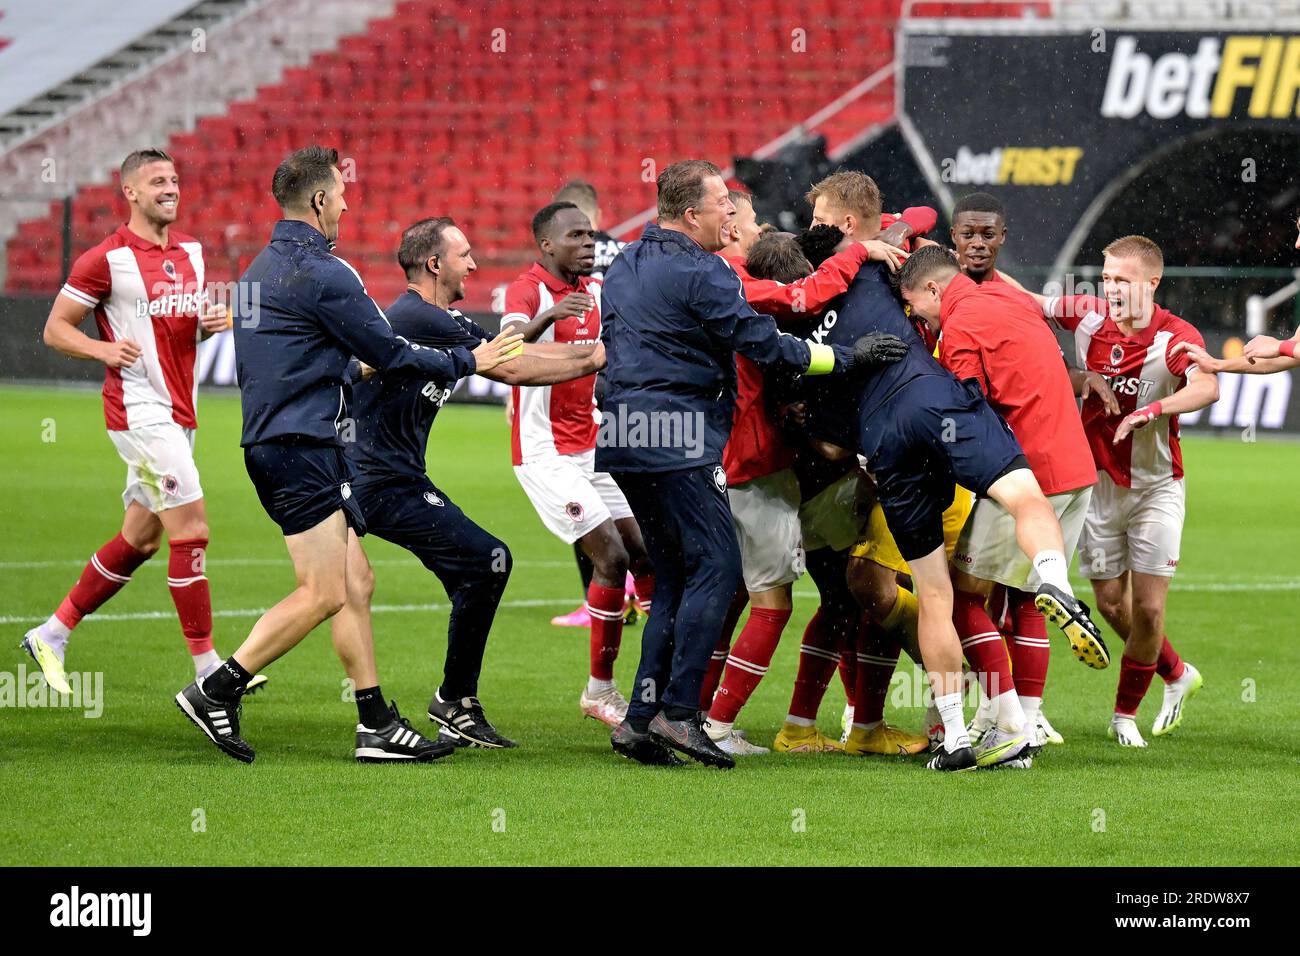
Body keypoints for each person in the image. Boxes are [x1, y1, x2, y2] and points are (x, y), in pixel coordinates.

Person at [172, 146, 521, 763]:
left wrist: (339, 366)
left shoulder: (257, 271)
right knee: (324, 591)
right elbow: (391, 352)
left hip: (277, 443)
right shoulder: (329, 273)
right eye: (340, 192)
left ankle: (375, 723)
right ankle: (217, 689)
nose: (348, 201)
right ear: (319, 200)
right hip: (303, 448)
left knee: (355, 580)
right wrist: (470, 360)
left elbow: (281, 359)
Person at [597, 160, 879, 769]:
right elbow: (766, 345)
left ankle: (639, 720)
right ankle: (681, 715)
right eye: (722, 202)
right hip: (677, 436)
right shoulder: (703, 272)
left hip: (621, 434)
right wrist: (843, 359)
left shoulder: (622, 264)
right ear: (691, 214)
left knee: (674, 576)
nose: (731, 212)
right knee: (719, 571)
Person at [345, 216, 605, 748]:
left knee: (471, 568)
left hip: (383, 477)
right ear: (435, 264)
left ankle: (220, 684)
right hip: (373, 482)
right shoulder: (419, 317)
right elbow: (515, 369)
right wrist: (602, 356)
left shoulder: (439, 316)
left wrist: (593, 352)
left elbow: (515, 352)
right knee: (485, 562)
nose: (474, 264)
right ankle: (454, 700)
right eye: (464, 255)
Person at [22, 148, 266, 697]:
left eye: (174, 179)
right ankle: (208, 672)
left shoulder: (194, 254)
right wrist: (101, 351)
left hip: (181, 413)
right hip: (138, 413)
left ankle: (52, 633)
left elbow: (182, 329)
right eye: (157, 181)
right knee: (193, 529)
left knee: (142, 537)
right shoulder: (105, 260)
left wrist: (209, 325)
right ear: (129, 192)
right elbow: (56, 330)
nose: (170, 188)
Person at [701, 196, 905, 756]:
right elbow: (802, 299)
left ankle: (694, 713)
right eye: (737, 216)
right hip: (755, 470)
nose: (747, 222)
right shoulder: (736, 283)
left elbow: (919, 216)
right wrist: (861, 252)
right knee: (777, 605)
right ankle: (716, 724)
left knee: (738, 599)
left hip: (745, 467)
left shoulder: (716, 277)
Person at [898, 245, 1099, 768]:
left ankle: (1010, 727)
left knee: (959, 597)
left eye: (915, 305)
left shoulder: (958, 327)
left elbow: (968, 410)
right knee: (1027, 597)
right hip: (1078, 467)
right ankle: (1016, 717)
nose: (915, 316)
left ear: (935, 290)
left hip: (1027, 472)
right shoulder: (1013, 300)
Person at [1034, 236, 1218, 747]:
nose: (1111, 288)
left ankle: (1123, 716)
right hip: (1095, 487)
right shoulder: (1088, 316)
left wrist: (1152, 410)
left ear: (1152, 283)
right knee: (1113, 605)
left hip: (1157, 488)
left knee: (1150, 610)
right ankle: (1177, 673)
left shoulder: (1175, 336)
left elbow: (1207, 386)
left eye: (1123, 280)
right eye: (1107, 277)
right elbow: (1026, 302)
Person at [501, 202, 655, 727]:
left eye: (591, 235)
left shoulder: (594, 293)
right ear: (547, 244)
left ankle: (669, 676)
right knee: (610, 557)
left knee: (646, 554)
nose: (589, 244)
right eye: (576, 236)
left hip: (592, 446)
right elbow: (504, 350)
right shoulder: (528, 290)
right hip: (543, 452)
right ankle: (600, 692)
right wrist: (547, 318)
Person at [543, 179, 630, 627]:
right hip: (627, 386)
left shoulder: (573, 267)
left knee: (582, 495)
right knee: (620, 488)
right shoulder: (629, 253)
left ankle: (600, 594)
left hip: (588, 387)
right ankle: (634, 586)